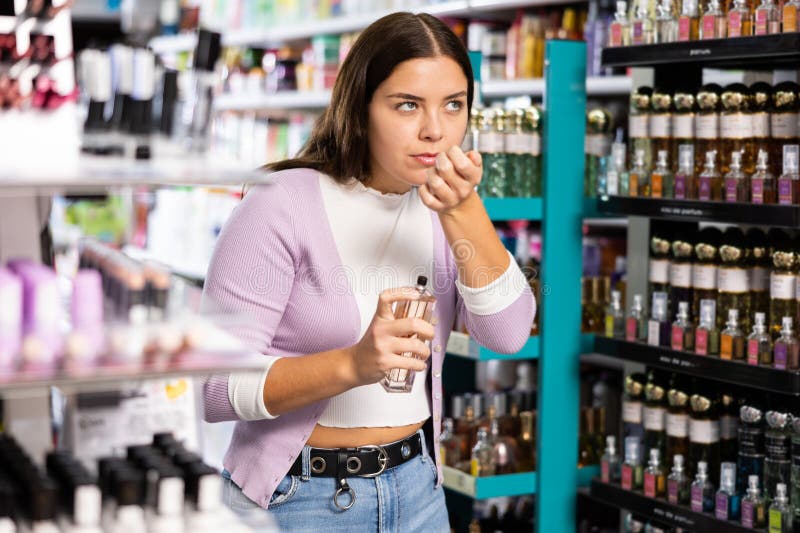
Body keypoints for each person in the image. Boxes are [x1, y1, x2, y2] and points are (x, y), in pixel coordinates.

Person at [201, 11, 536, 532]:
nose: (435, 130)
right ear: (360, 106)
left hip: (419, 490)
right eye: (407, 105)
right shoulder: (281, 203)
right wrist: (353, 364)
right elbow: (217, 387)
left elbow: (509, 333)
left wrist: (463, 211)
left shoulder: (444, 208)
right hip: (297, 498)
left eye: (454, 106)